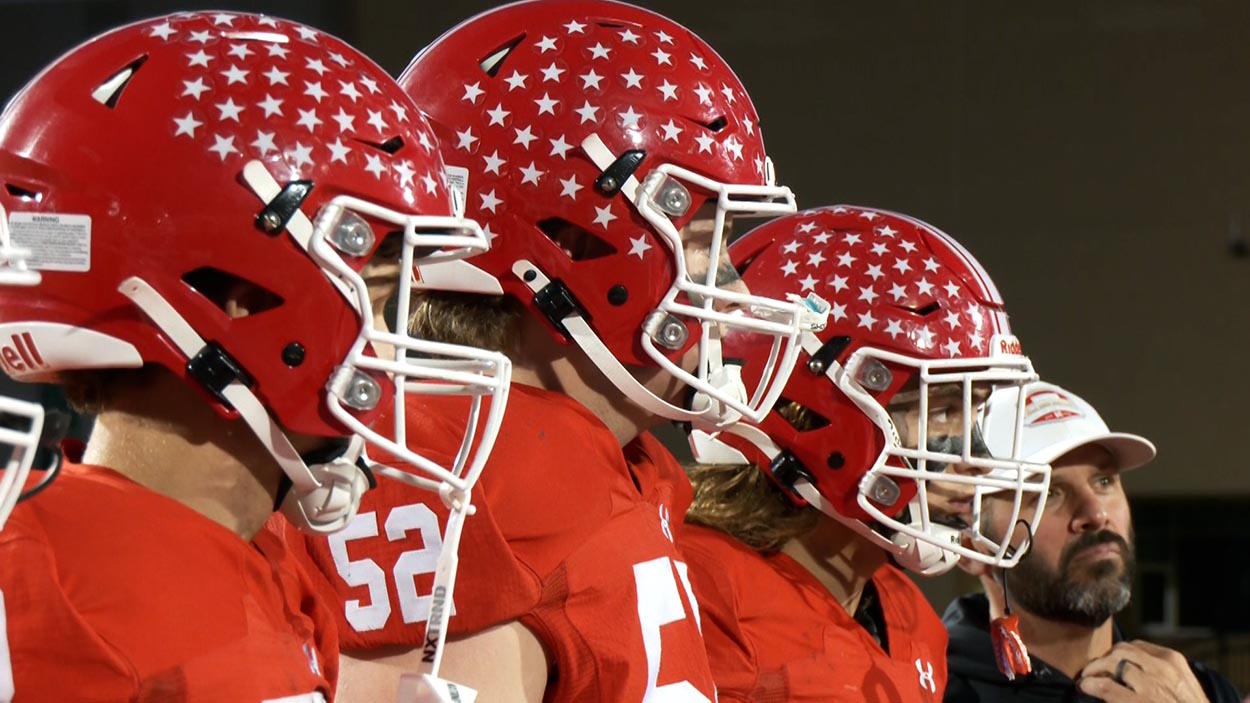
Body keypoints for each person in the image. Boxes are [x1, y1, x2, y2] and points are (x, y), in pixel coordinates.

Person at [278, 1, 829, 700]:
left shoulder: (612, 459)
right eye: (698, 231)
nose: (727, 276)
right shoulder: (494, 467)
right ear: (571, 243)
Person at [0, 11, 505, 699]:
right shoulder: (66, 590)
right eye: (376, 293)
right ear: (238, 300)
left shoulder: (243, 545)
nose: (388, 346)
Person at [678, 205, 1051, 701]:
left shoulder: (909, 617)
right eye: (941, 412)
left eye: (975, 411)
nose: (978, 458)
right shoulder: (700, 594)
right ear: (805, 408)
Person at [944, 381, 1240, 702]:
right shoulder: (920, 690)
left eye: (1104, 481)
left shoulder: (1194, 689)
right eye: (1048, 494)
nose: (1096, 513)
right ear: (972, 547)